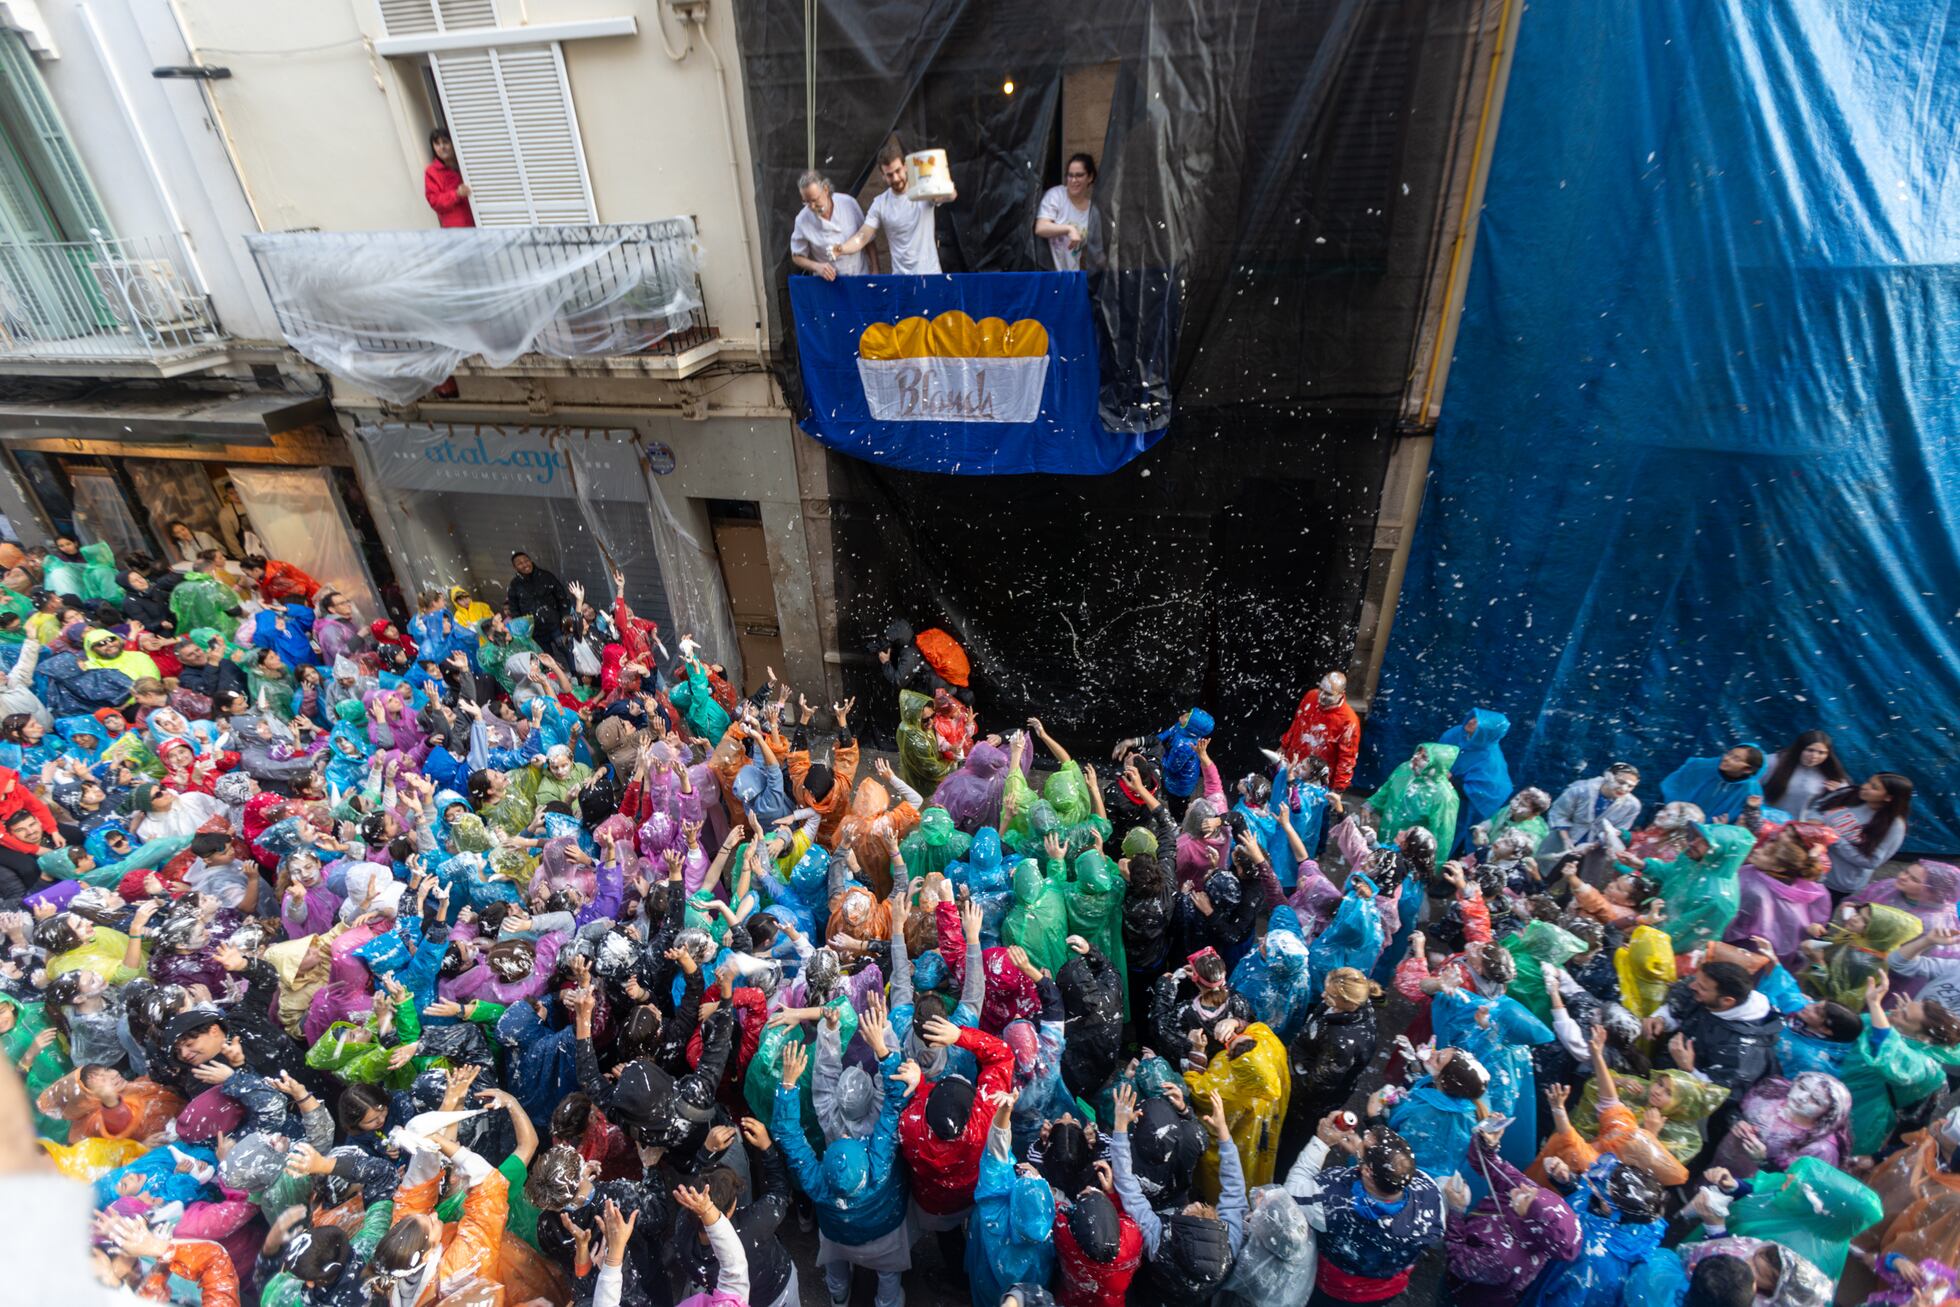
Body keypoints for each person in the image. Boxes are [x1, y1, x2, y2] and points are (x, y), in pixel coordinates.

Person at [831, 139, 957, 276]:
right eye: (890, 175)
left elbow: (952, 196)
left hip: (931, 275)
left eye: (898, 171)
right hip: (900, 279)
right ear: (883, 176)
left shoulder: (922, 191)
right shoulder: (880, 203)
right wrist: (840, 249)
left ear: (905, 167)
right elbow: (862, 237)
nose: (896, 178)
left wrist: (942, 187)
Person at [1816, 772, 1915, 896]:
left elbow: (1870, 861)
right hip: (1809, 870)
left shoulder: (1893, 826)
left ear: (1888, 797)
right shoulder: (1849, 795)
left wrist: (1834, 838)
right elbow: (1817, 808)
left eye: (1874, 787)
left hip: (1835, 883)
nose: (1865, 786)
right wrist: (1814, 822)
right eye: (1868, 782)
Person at [1279, 672, 1360, 792]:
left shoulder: (1349, 721)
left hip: (1315, 782)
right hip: (1292, 767)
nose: (1321, 696)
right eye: (1320, 689)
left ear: (1341, 694)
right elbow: (1296, 724)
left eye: (1328, 694)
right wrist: (1283, 746)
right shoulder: (1311, 696)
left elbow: (1346, 760)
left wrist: (1338, 789)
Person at [791, 171, 870, 278]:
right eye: (806, 202)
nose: (812, 206)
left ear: (826, 189)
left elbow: (868, 239)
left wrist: (875, 268)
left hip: (859, 274)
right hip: (828, 281)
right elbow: (797, 256)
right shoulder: (802, 220)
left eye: (815, 200)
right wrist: (817, 266)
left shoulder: (849, 203)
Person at [1760, 730, 1848, 817]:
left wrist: (1835, 795)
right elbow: (1751, 784)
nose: (1814, 756)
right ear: (1799, 749)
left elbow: (1844, 806)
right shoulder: (1774, 761)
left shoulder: (1834, 777)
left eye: (1821, 753)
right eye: (1810, 750)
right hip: (1763, 818)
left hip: (1794, 828)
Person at [1035, 154, 1097, 272]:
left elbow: (1097, 253)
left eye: (1079, 175)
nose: (1074, 180)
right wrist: (1069, 229)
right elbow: (1040, 227)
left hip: (1072, 276)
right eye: (1070, 175)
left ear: (1090, 177)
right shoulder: (1056, 195)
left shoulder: (1093, 211)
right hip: (1048, 274)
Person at [425, 126, 474, 228]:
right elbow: (435, 202)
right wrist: (457, 194)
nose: (442, 147)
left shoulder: (465, 163)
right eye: (437, 144)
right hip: (456, 228)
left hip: (478, 220)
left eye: (445, 142)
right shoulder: (431, 172)